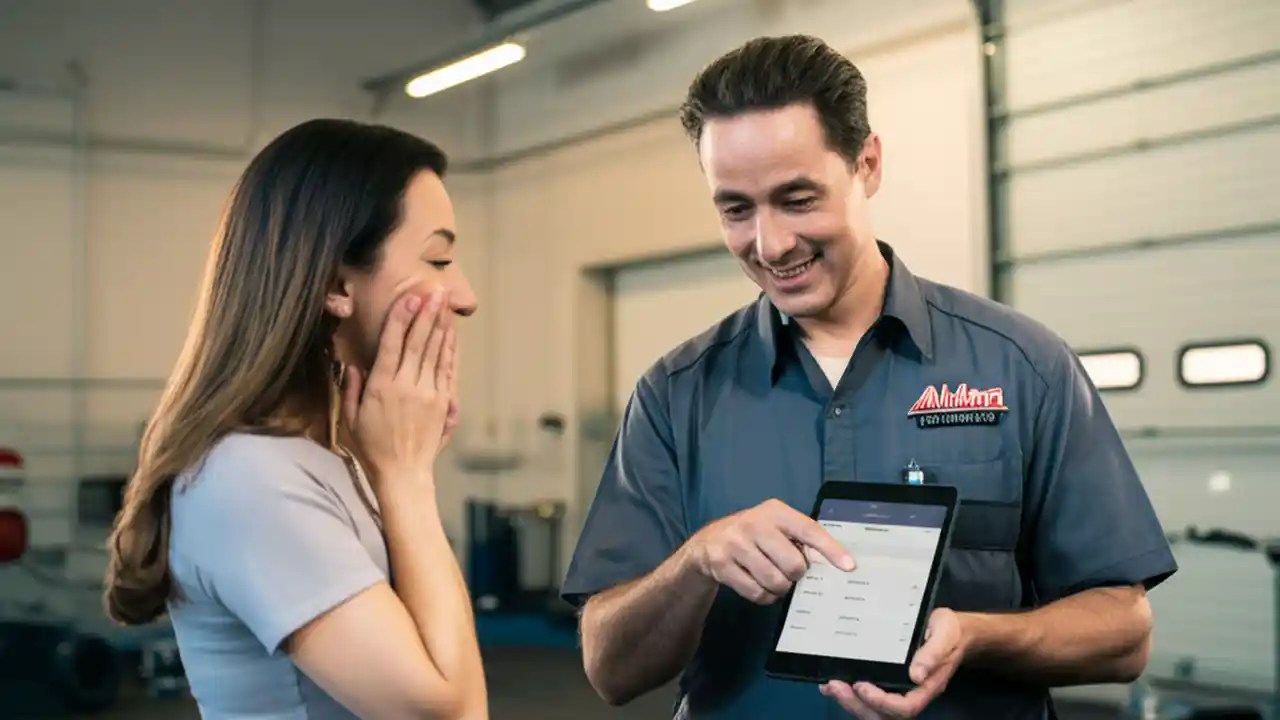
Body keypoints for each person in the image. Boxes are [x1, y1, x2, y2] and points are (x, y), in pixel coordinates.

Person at [562, 35, 1177, 720]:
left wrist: (978, 635)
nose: (770, 245)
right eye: (736, 209)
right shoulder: (675, 395)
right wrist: (696, 562)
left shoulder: (1021, 365)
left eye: (798, 199)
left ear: (868, 163)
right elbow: (608, 668)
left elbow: (1124, 632)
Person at [103, 119, 486, 719]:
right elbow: (449, 715)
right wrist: (409, 480)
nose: (464, 295)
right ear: (337, 283)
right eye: (438, 258)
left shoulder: (328, 457)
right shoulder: (248, 477)